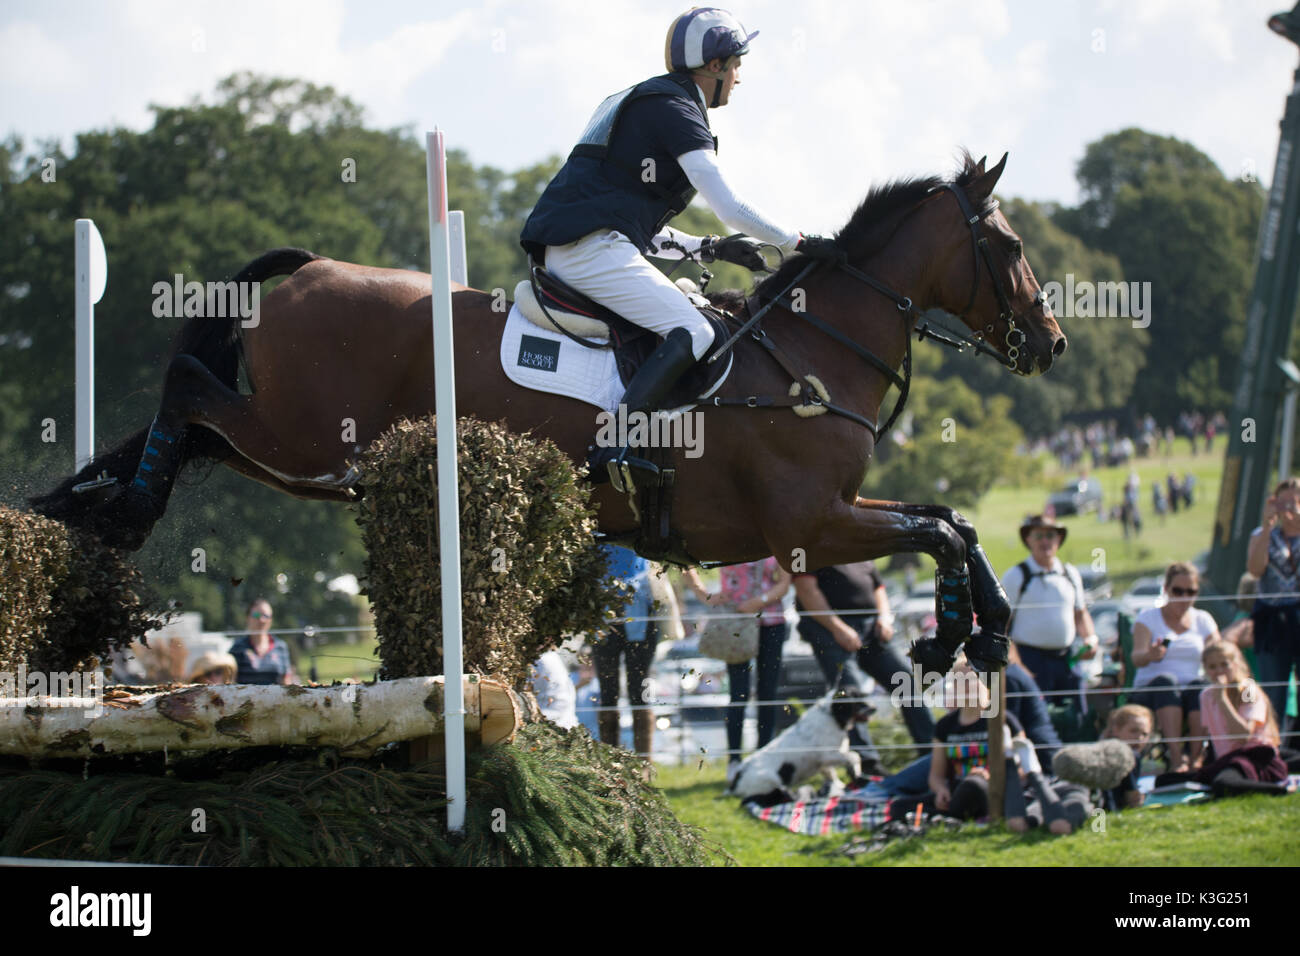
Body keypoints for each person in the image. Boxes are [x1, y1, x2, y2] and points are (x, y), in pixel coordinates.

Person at [519, 7, 841, 485]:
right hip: (588, 250)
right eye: (735, 65)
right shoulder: (676, 109)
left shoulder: (648, 99)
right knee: (696, 331)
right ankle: (614, 447)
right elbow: (729, 206)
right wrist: (799, 241)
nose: (738, 78)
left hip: (588, 244)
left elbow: (635, 228)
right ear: (713, 66)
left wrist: (709, 248)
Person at [795, 561, 935, 771]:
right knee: (850, 694)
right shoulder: (808, 545)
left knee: (905, 682)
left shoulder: (859, 544)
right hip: (830, 631)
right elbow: (806, 590)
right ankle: (867, 767)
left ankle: (932, 754)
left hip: (872, 629)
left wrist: (885, 618)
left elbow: (878, 586)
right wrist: (837, 628)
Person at [683, 558, 791, 775]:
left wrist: (759, 601)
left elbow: (784, 584)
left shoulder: (774, 539)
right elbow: (685, 562)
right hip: (735, 621)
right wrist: (704, 594)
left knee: (767, 692)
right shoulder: (725, 538)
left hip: (771, 622)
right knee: (737, 694)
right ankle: (734, 760)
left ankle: (764, 755)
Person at [1155, 642, 1296, 798]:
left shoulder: (1248, 689)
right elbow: (1207, 734)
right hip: (1227, 759)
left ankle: (1278, 790)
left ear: (1236, 664)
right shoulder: (1206, 695)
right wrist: (1195, 760)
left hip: (1254, 755)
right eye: (1213, 667)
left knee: (1223, 784)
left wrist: (1223, 700)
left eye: (1224, 665)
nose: (1219, 671)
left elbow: (1243, 736)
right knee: (1164, 780)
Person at [1129, 562, 1219, 771]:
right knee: (1166, 683)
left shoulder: (1203, 620)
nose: (1184, 597)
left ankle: (1196, 758)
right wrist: (1150, 655)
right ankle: (1176, 758)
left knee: (1200, 687)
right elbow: (1136, 657)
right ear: (1166, 589)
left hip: (1189, 689)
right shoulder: (1147, 617)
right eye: (1178, 591)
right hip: (1151, 689)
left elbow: (1218, 651)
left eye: (1191, 591)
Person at [1001, 516, 1099, 698]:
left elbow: (1080, 613)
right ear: (1028, 540)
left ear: (1058, 539)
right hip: (1030, 660)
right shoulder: (1016, 575)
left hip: (1067, 660)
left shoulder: (1070, 573)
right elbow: (1002, 625)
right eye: (1038, 536)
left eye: (1050, 535)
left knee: (1076, 718)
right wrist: (1016, 663)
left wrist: (1090, 638)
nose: (1045, 541)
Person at [591, 545, 661, 759]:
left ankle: (644, 764)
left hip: (641, 603)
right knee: (607, 691)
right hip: (603, 607)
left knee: (640, 686)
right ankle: (609, 761)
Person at [1246, 477, 1300, 747]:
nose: (1291, 505)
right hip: (1271, 620)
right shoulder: (1261, 535)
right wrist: (1268, 528)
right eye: (1284, 500)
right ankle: (1273, 751)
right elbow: (1255, 570)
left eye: (1296, 498)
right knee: (1273, 690)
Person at [228, 598, 296, 685]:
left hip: (275, 698)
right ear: (248, 618)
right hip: (245, 697)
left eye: (266, 616)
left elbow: (286, 680)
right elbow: (229, 680)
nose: (261, 620)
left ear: (271, 620)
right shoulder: (238, 647)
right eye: (256, 615)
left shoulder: (280, 647)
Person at [1099, 704, 1154, 810]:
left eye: (1145, 734)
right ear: (1116, 730)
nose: (1139, 738)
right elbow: (1133, 799)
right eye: (1133, 731)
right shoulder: (1131, 755)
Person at [529, 649, 578, 729]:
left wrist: (530, 713)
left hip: (558, 728)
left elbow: (560, 703)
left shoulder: (546, 660)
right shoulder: (537, 659)